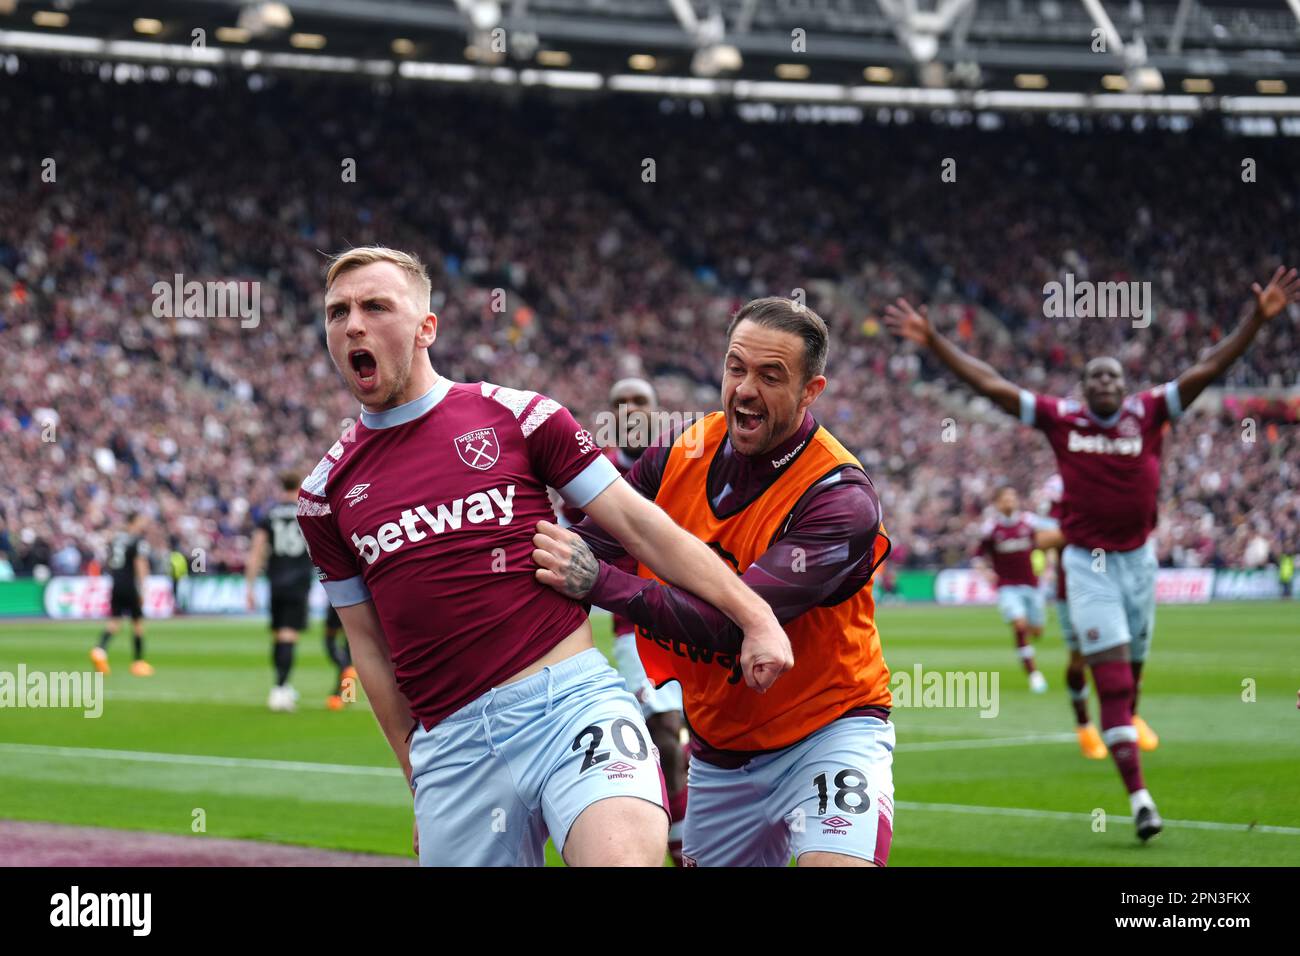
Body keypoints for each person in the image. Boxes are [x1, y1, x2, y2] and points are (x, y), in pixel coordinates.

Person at [296, 246, 789, 867]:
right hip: (452, 751)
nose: (353, 325)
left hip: (569, 707)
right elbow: (368, 648)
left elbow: (643, 527)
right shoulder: (324, 494)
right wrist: (416, 779)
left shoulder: (520, 416)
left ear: (426, 329)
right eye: (337, 312)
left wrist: (757, 616)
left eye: (375, 306)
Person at [884, 265, 1300, 841]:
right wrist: (935, 342)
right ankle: (1141, 801)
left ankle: (1115, 723)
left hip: (1141, 562)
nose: (1105, 383)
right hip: (1088, 564)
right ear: (1083, 388)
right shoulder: (1063, 420)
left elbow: (1209, 367)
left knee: (1131, 678)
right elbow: (993, 386)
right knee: (1114, 686)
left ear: (1124, 386)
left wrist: (1255, 318)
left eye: (1113, 376)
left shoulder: (1151, 411)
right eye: (1095, 377)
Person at [533, 297, 895, 867]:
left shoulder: (839, 497)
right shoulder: (682, 448)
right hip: (720, 751)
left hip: (827, 733)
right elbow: (592, 541)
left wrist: (596, 583)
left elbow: (732, 626)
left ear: (810, 392)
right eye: (736, 368)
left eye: (771, 376)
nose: (745, 389)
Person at [246, 471, 318, 712]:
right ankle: (280, 688)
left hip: (275, 581)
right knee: (289, 635)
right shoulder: (306, 510)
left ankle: (282, 686)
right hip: (298, 582)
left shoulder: (269, 514)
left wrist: (249, 586)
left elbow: (257, 551)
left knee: (278, 634)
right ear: (299, 485)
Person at [973, 485, 1051, 693]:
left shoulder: (1029, 522)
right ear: (998, 503)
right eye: (1005, 499)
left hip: (1032, 585)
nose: (1009, 502)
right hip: (1007, 586)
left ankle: (1028, 648)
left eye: (1012, 498)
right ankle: (1034, 674)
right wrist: (986, 572)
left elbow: (1046, 545)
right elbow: (978, 555)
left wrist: (1049, 567)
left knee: (1037, 630)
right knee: (1019, 625)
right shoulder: (991, 528)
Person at [90, 512, 154, 677]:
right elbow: (140, 563)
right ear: (134, 521)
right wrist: (143, 587)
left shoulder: (117, 539)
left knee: (115, 621)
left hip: (116, 582)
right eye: (141, 521)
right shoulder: (138, 541)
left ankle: (100, 650)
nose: (144, 524)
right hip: (130, 584)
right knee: (138, 623)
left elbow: (111, 561)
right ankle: (138, 663)